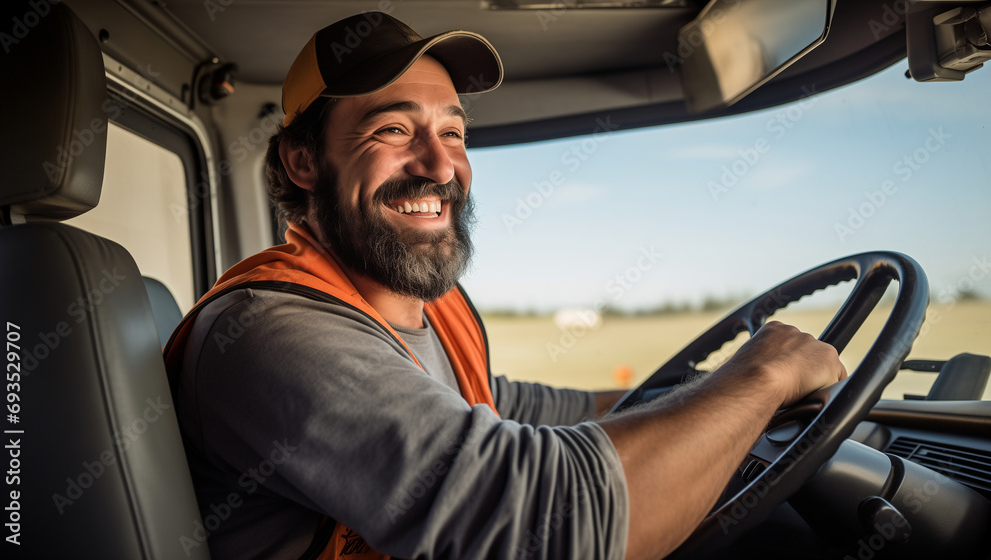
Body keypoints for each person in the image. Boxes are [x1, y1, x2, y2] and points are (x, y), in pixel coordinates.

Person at [164, 11, 846, 560]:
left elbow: (505, 403)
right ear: (305, 161)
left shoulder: (432, 309)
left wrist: (686, 398)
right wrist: (764, 378)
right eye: (395, 129)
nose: (439, 164)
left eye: (453, 132)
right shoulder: (272, 335)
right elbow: (549, 527)